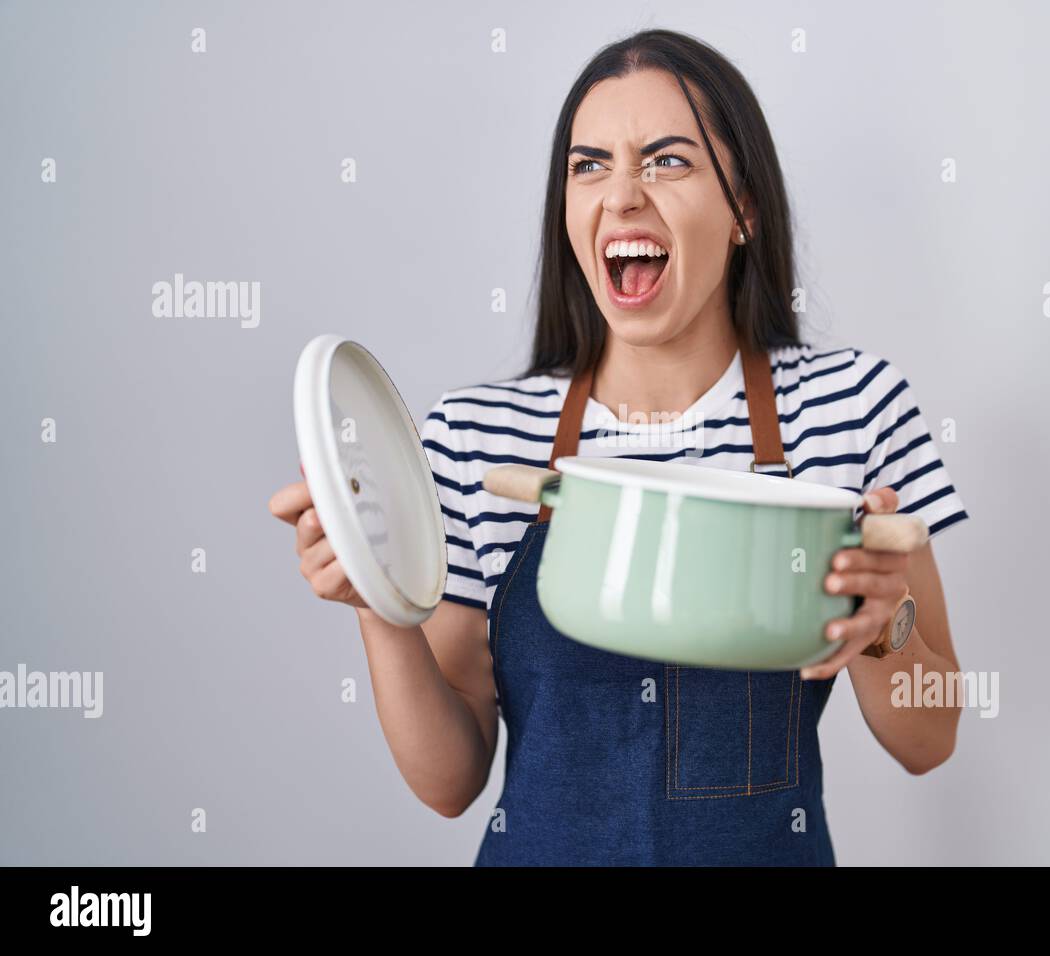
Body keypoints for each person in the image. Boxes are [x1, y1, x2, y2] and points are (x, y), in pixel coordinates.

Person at [269, 29, 970, 866]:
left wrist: (881, 624)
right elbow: (451, 782)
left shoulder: (852, 407)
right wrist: (376, 602)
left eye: (667, 161)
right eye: (589, 165)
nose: (622, 195)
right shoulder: (473, 437)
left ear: (744, 208)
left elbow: (930, 741)